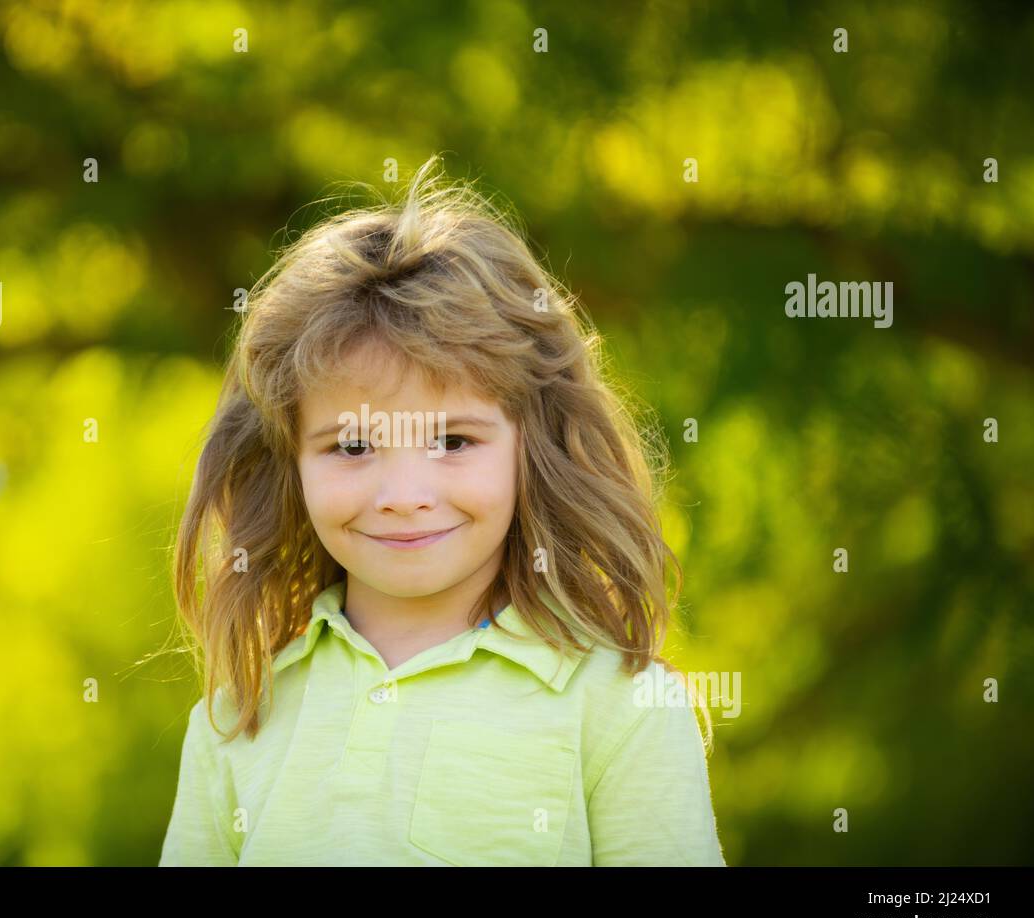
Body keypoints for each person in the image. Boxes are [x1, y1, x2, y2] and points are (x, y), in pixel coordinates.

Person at [156, 155, 726, 866]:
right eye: (353, 445)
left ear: (532, 448)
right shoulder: (237, 717)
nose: (403, 493)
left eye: (453, 440)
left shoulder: (620, 708)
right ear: (291, 462)